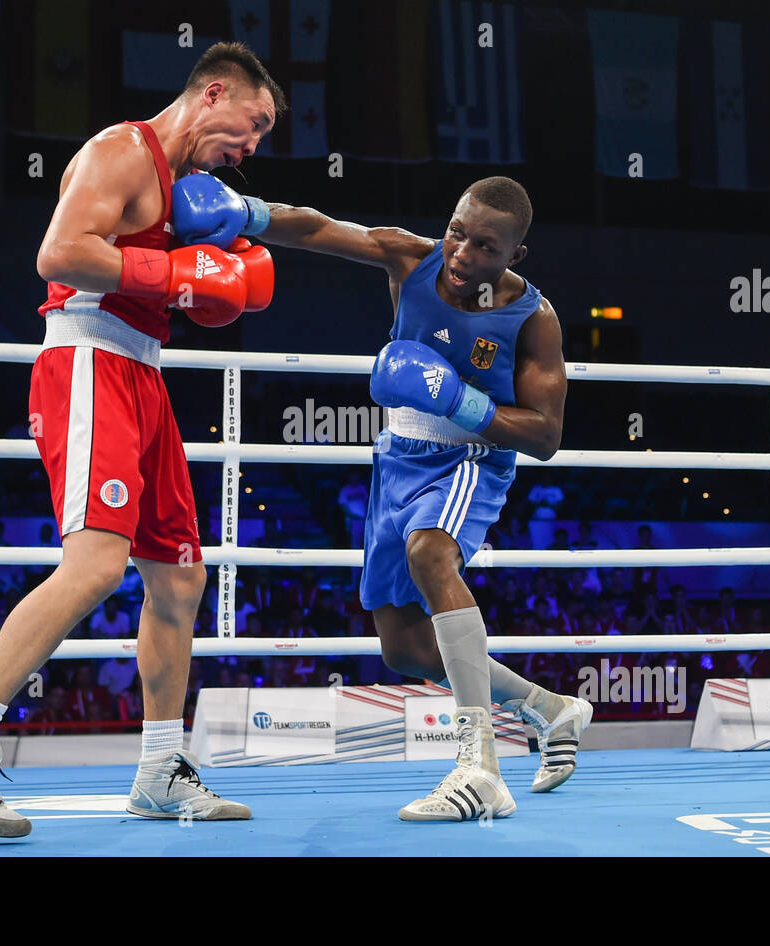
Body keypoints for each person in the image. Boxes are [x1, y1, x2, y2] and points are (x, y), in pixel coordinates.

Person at [0, 41, 283, 835]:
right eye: (253, 125)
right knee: (97, 564)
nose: (253, 148)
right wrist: (183, 276)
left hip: (143, 373)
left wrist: (200, 277)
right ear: (213, 93)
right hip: (88, 360)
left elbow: (168, 274)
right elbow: (60, 253)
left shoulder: (188, 191)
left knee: (179, 580)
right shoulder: (121, 149)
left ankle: (158, 769)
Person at [242, 175, 592, 821]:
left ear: (514, 255)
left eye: (485, 246)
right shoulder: (411, 256)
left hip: (472, 458)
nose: (462, 254)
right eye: (458, 231)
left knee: (432, 555)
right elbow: (315, 226)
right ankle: (551, 708)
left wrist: (460, 399)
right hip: (397, 457)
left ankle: (479, 767)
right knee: (402, 649)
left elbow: (545, 435)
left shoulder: (532, 319)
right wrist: (243, 211)